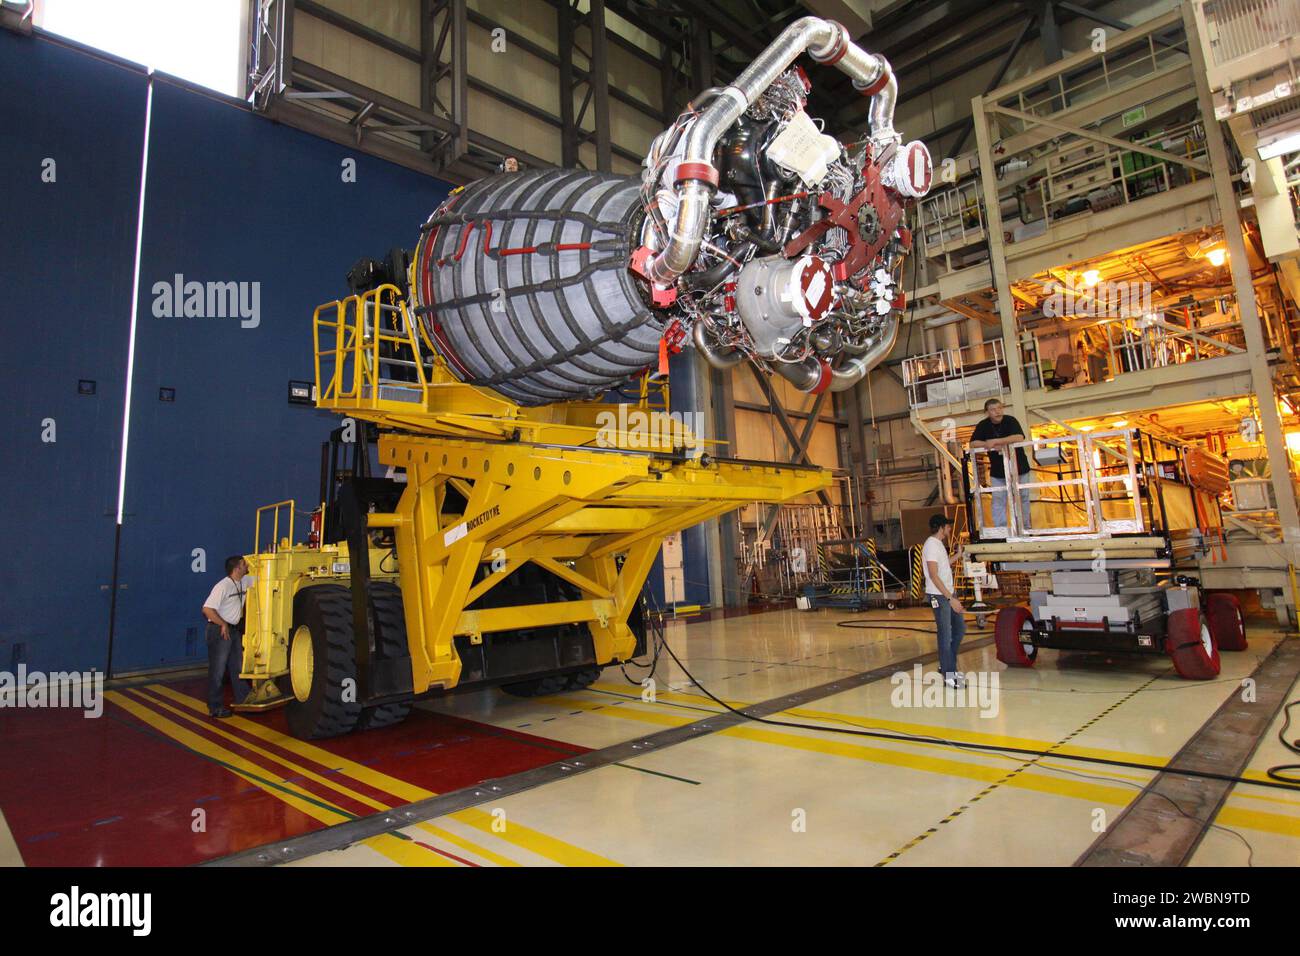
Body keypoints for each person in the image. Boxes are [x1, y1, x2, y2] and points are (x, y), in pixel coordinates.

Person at [969, 398, 1033, 531]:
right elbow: (973, 443)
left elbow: (1019, 437)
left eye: (999, 408)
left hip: (1019, 468)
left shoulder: (1010, 420)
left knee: (1023, 497)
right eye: (993, 409)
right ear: (987, 412)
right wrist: (987, 443)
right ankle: (1001, 530)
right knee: (998, 499)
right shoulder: (983, 425)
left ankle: (1025, 528)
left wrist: (997, 441)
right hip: (998, 471)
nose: (997, 412)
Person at [202, 555, 253, 717]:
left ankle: (244, 701)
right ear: (237, 568)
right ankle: (215, 707)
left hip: (234, 631)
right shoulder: (223, 586)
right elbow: (207, 609)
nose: (247, 566)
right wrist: (222, 624)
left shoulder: (244, 581)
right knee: (218, 670)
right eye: (245, 564)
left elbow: (268, 576)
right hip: (219, 630)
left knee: (237, 668)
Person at [923, 514, 965, 688]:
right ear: (941, 527)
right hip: (940, 596)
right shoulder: (931, 545)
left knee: (960, 629)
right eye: (947, 526)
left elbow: (943, 565)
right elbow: (933, 574)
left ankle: (946, 663)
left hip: (948, 594)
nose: (949, 528)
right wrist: (950, 598)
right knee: (945, 634)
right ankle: (949, 674)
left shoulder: (938, 544)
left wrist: (958, 555)